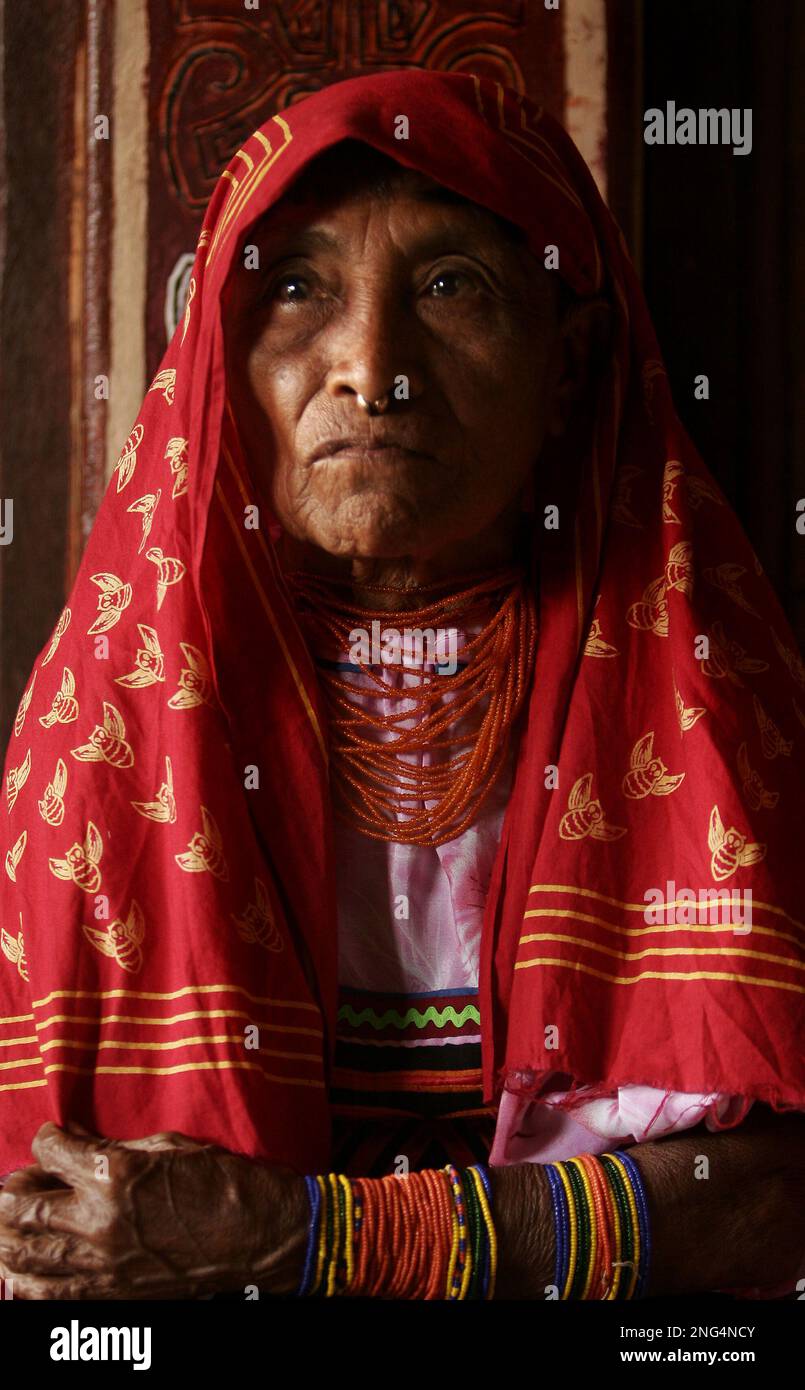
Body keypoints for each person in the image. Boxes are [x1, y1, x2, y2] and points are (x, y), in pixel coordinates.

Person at [0, 68, 803, 1301]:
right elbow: (43, 1229)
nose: (371, 367)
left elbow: (775, 1203)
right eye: (297, 291)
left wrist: (327, 1245)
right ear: (217, 357)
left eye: (449, 287)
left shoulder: (715, 708)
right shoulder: (102, 739)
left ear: (570, 368)